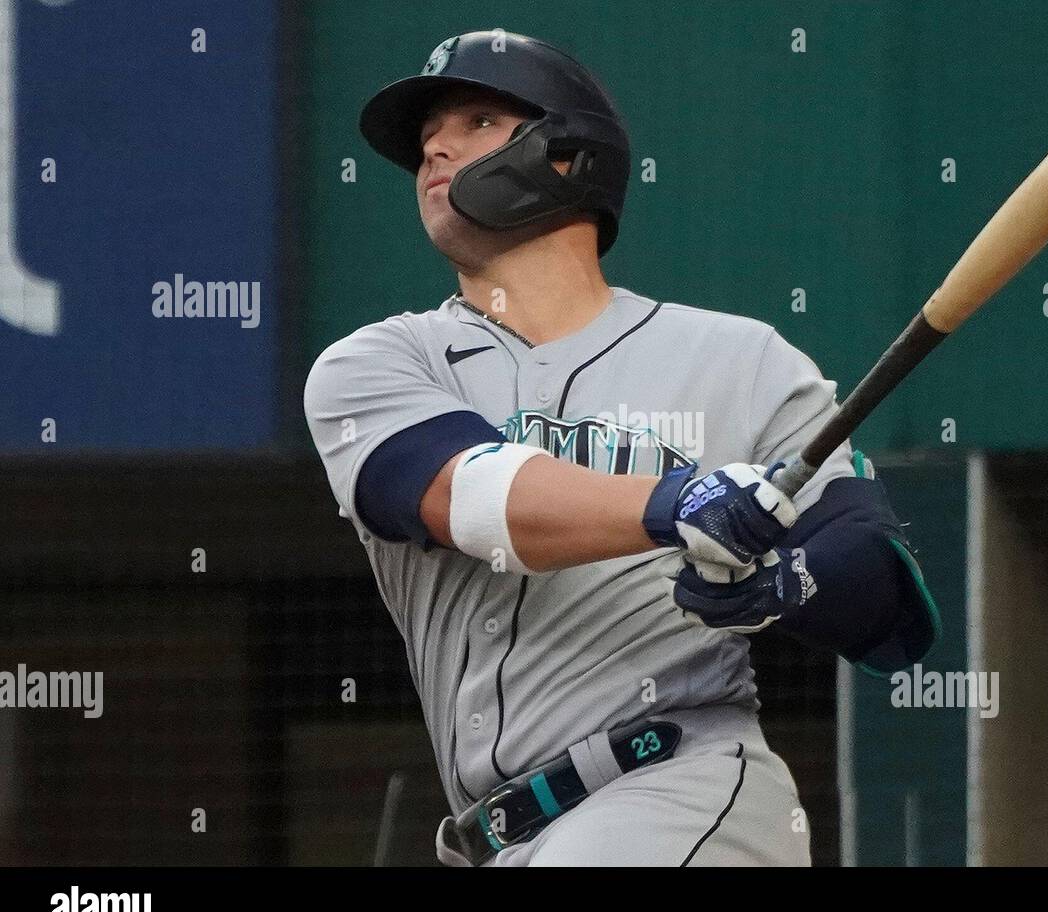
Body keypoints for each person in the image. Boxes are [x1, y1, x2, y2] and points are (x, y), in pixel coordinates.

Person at [304, 29, 938, 867]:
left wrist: (784, 583)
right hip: (492, 838)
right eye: (426, 141)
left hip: (679, 786)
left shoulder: (739, 361)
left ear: (567, 155)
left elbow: (884, 598)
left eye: (478, 120)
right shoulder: (377, 364)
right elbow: (468, 495)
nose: (435, 149)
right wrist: (676, 502)